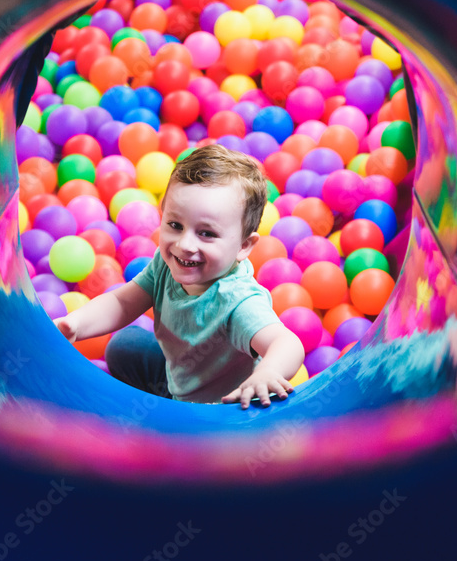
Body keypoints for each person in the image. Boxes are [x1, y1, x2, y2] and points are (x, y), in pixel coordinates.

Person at [56, 145, 305, 408]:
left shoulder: (237, 301)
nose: (185, 244)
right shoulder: (168, 263)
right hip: (180, 378)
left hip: (216, 411)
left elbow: (286, 342)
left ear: (243, 245)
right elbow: (124, 302)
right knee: (123, 347)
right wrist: (77, 324)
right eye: (175, 225)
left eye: (206, 233)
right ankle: (166, 399)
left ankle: (167, 413)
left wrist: (267, 374)